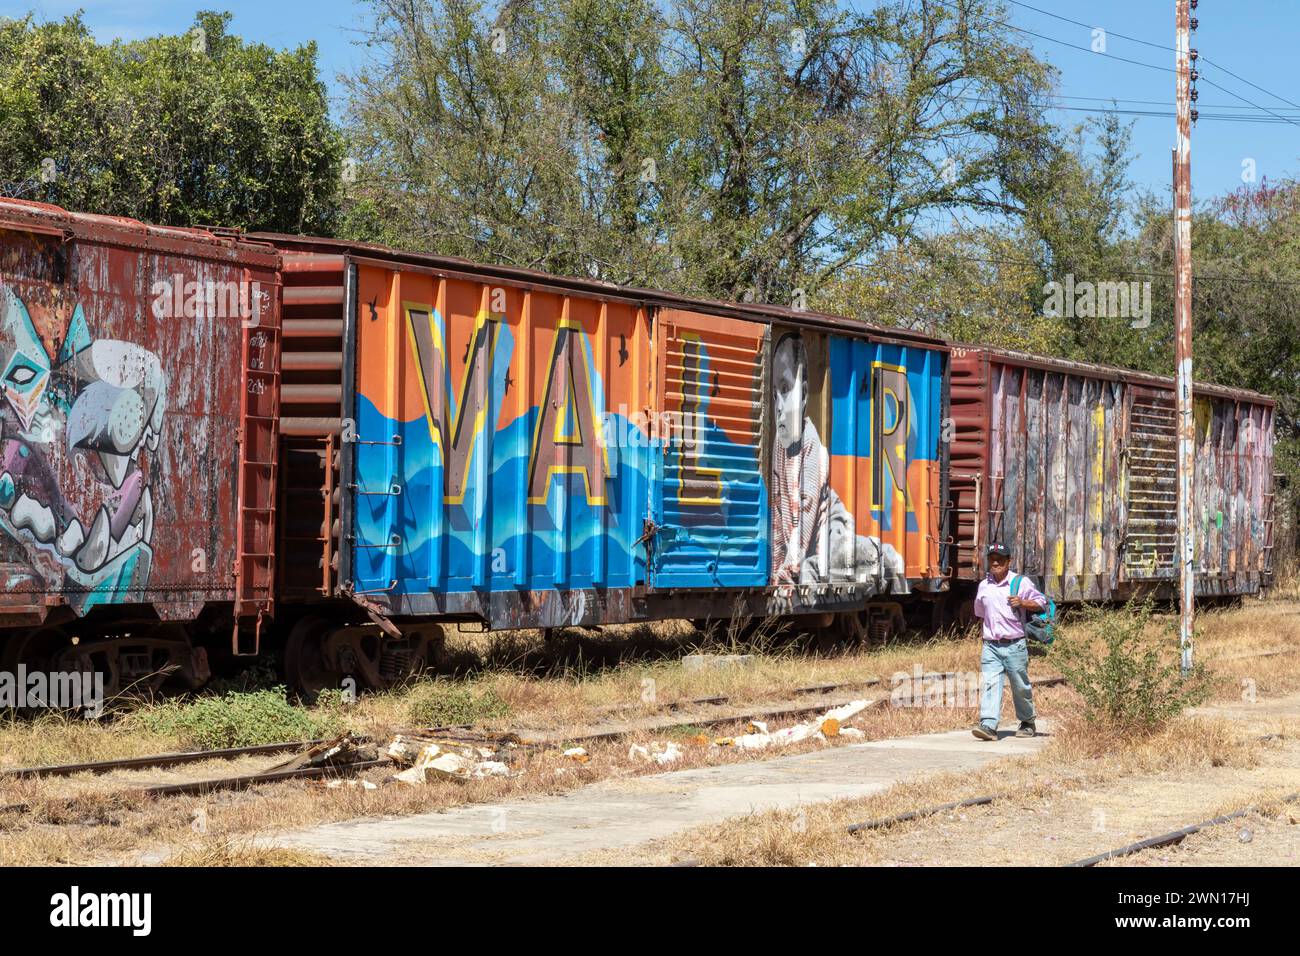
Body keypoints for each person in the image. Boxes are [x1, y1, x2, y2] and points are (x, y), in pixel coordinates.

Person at [971, 542, 1044, 740]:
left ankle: (1027, 722)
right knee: (991, 684)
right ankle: (988, 725)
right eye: (992, 559)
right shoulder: (984, 586)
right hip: (991, 645)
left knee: (1020, 686)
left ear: (1008, 561)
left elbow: (1041, 603)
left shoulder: (1020, 583)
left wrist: (1023, 603)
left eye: (1000, 560)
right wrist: (984, 639)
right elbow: (981, 615)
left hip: (1015, 644)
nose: (995, 563)